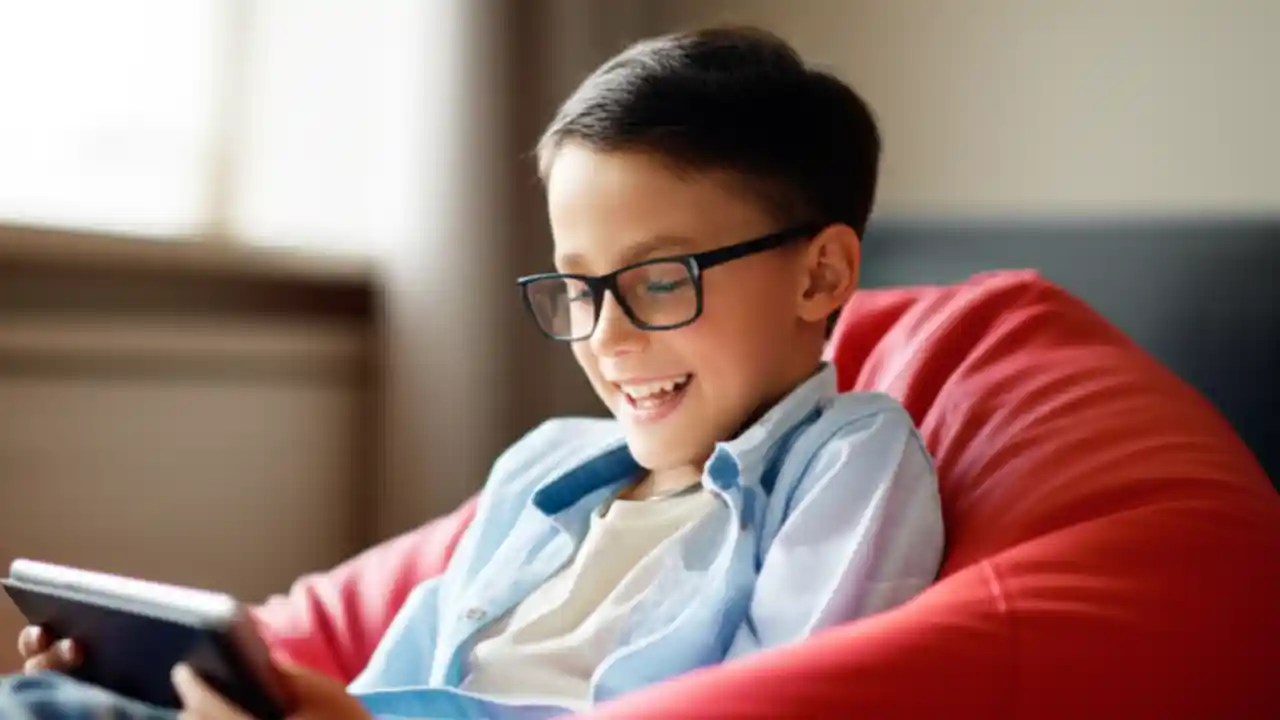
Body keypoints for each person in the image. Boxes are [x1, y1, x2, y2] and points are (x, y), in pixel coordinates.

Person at [6, 26, 944, 720]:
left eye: (661, 282)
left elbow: (780, 699)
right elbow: (393, 682)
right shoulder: (540, 472)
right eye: (578, 287)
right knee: (51, 702)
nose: (608, 337)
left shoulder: (846, 462)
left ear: (820, 275)